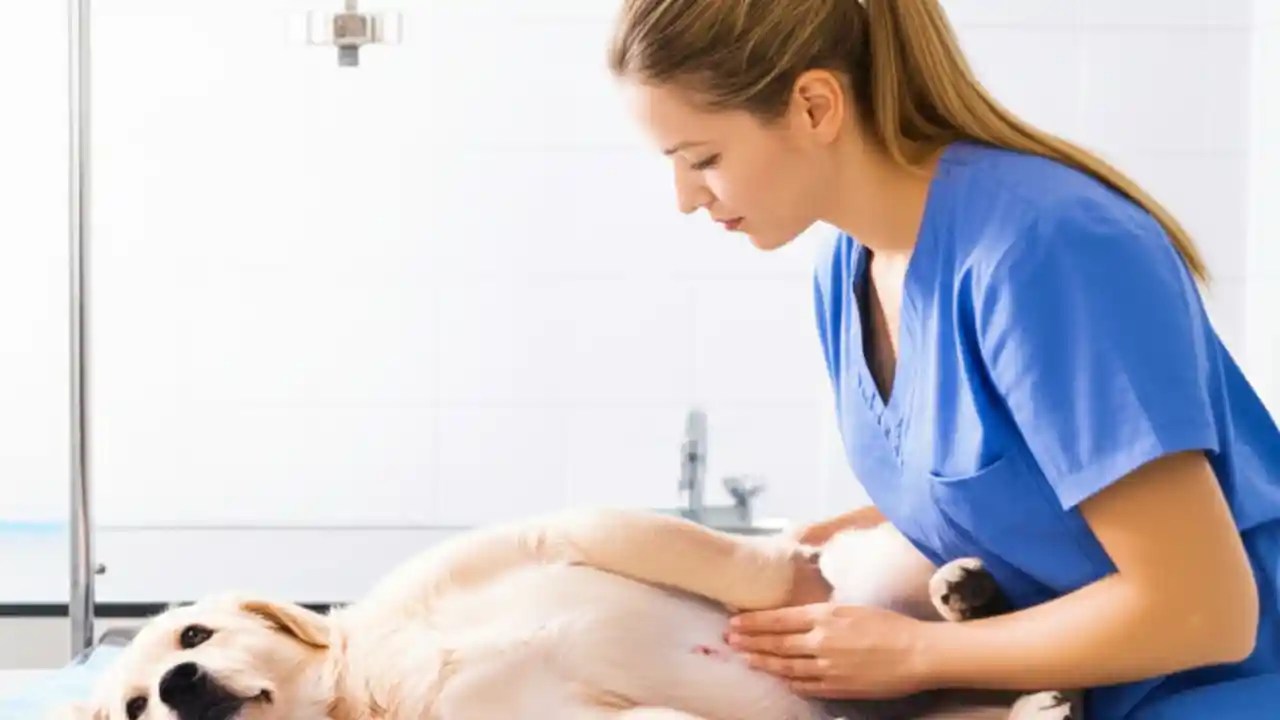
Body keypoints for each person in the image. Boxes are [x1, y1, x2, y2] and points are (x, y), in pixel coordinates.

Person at [607, 1, 1280, 718]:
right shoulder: (848, 270)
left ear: (813, 105)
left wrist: (909, 653)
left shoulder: (1049, 249)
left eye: (703, 159)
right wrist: (845, 538)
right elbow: (1021, 477)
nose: (684, 199)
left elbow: (1203, 608)